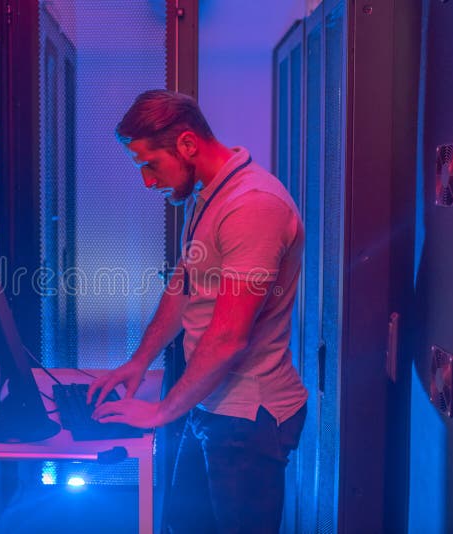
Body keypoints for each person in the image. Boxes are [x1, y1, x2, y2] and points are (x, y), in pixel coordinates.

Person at [87, 90, 308, 533]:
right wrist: (138, 362)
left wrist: (161, 410)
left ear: (187, 145)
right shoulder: (210, 196)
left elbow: (229, 337)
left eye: (150, 164)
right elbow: (185, 288)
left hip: (247, 420)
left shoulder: (252, 206)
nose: (148, 182)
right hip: (212, 405)